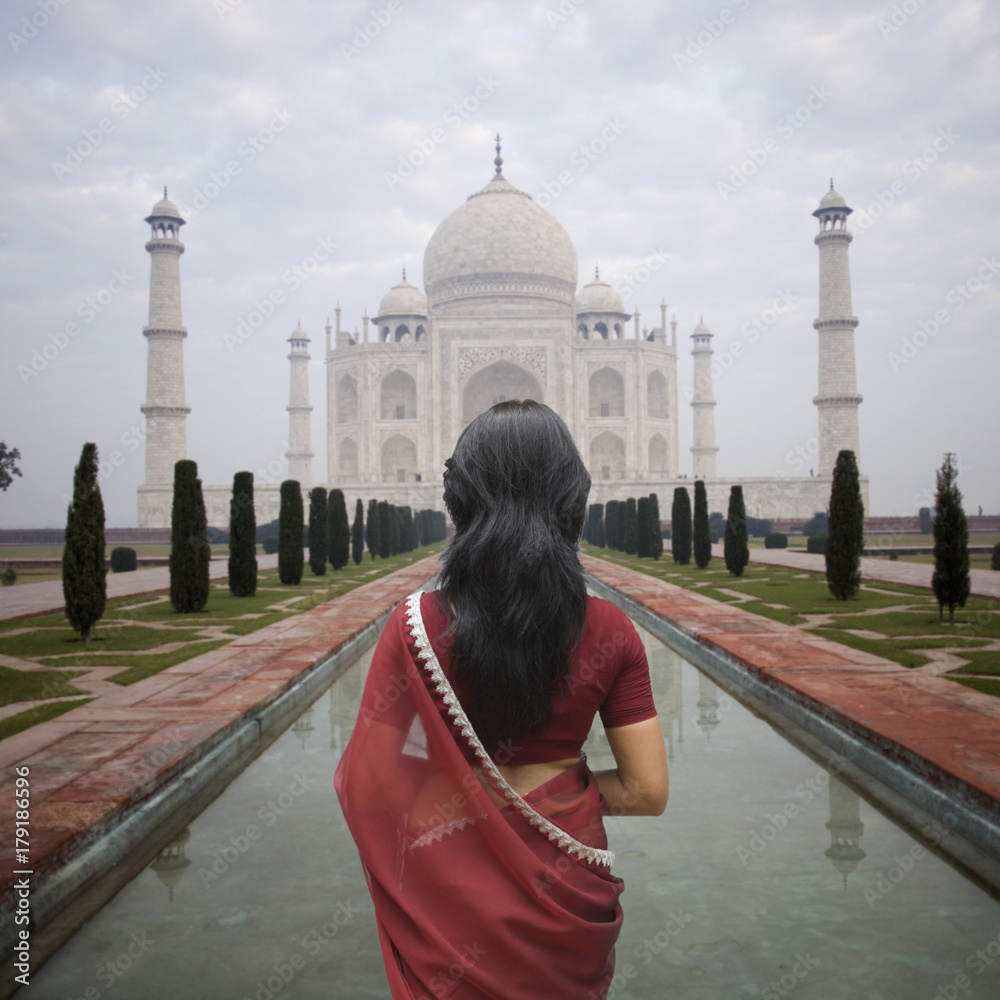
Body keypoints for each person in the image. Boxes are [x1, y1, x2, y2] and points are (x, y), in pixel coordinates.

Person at [335, 400, 669, 999]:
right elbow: (647, 792)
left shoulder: (414, 627)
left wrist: (468, 807)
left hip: (449, 894)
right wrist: (556, 795)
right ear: (572, 500)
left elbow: (374, 782)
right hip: (567, 887)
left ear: (459, 499)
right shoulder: (612, 631)